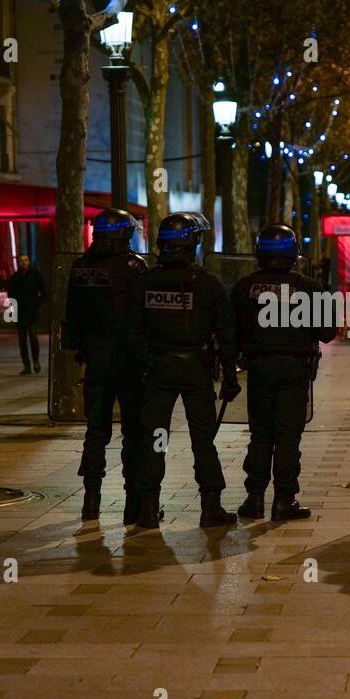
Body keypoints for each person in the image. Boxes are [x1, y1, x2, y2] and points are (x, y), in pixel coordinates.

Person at [131, 212, 239, 529]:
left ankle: (148, 509)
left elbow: (132, 332)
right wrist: (230, 375)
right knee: (202, 440)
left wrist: (141, 367)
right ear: (191, 244)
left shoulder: (145, 282)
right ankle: (210, 507)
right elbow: (226, 335)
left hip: (158, 369)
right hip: (195, 369)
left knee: (156, 438)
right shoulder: (208, 283)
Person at [231, 224, 337, 522]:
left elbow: (231, 331)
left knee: (261, 434)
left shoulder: (244, 286)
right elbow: (327, 333)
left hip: (259, 368)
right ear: (294, 254)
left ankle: (254, 500)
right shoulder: (309, 287)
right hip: (294, 367)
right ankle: (284, 500)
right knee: (288, 436)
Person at [62, 208, 153, 525]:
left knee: (95, 432)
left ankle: (91, 503)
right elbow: (144, 318)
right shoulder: (134, 268)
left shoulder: (80, 267)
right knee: (133, 433)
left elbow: (71, 318)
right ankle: (134, 504)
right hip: (128, 362)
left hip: (95, 361)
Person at [7, 253, 45, 374]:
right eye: (21, 260)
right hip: (19, 312)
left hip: (32, 311)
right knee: (22, 340)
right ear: (18, 263)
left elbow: (43, 291)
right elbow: (10, 294)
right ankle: (27, 365)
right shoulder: (14, 278)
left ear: (28, 262)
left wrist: (38, 304)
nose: (24, 262)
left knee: (33, 338)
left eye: (26, 260)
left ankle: (36, 361)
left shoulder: (35, 275)